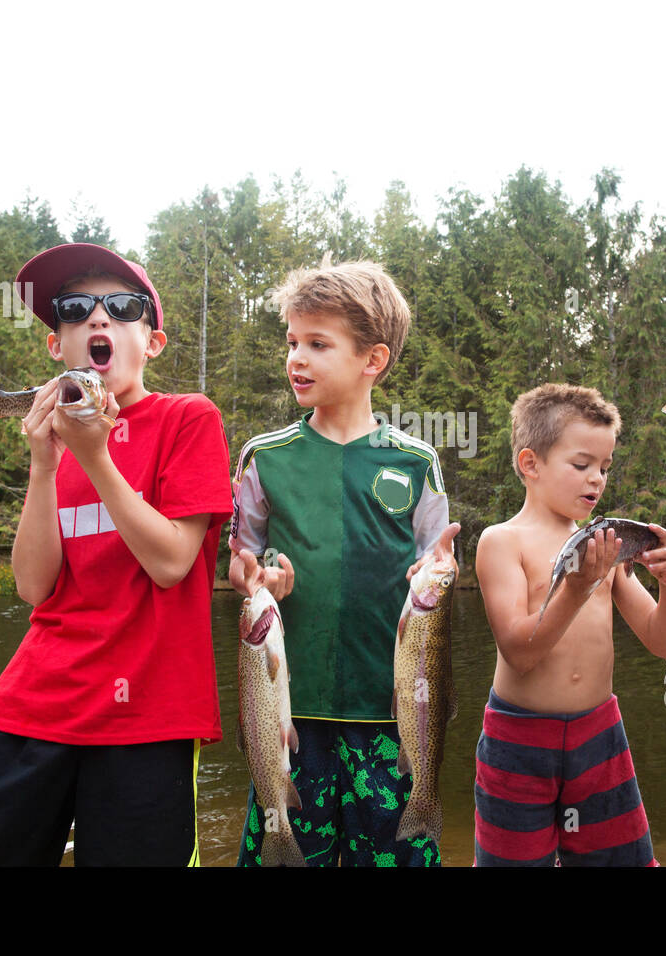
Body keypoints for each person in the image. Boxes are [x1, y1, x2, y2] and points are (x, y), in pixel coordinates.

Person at [0, 243, 233, 866]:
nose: (98, 318)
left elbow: (171, 563)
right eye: (75, 308)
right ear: (56, 347)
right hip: (36, 698)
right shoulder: (58, 441)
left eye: (122, 306)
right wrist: (43, 463)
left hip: (148, 711)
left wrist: (94, 455)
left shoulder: (186, 419)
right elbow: (35, 587)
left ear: (153, 342)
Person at [229, 258, 459, 866]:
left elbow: (437, 566)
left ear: (372, 360)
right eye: (292, 342)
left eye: (317, 344)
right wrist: (260, 577)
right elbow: (238, 564)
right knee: (284, 845)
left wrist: (441, 571)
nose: (296, 358)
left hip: (390, 713)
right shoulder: (264, 457)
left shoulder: (416, 461)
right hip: (287, 712)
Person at [473, 384, 666, 866]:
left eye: (605, 468)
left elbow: (662, 642)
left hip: (599, 735)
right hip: (518, 740)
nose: (598, 480)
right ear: (531, 464)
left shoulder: (602, 545)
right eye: (582, 464)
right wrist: (577, 586)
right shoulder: (503, 542)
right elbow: (520, 653)